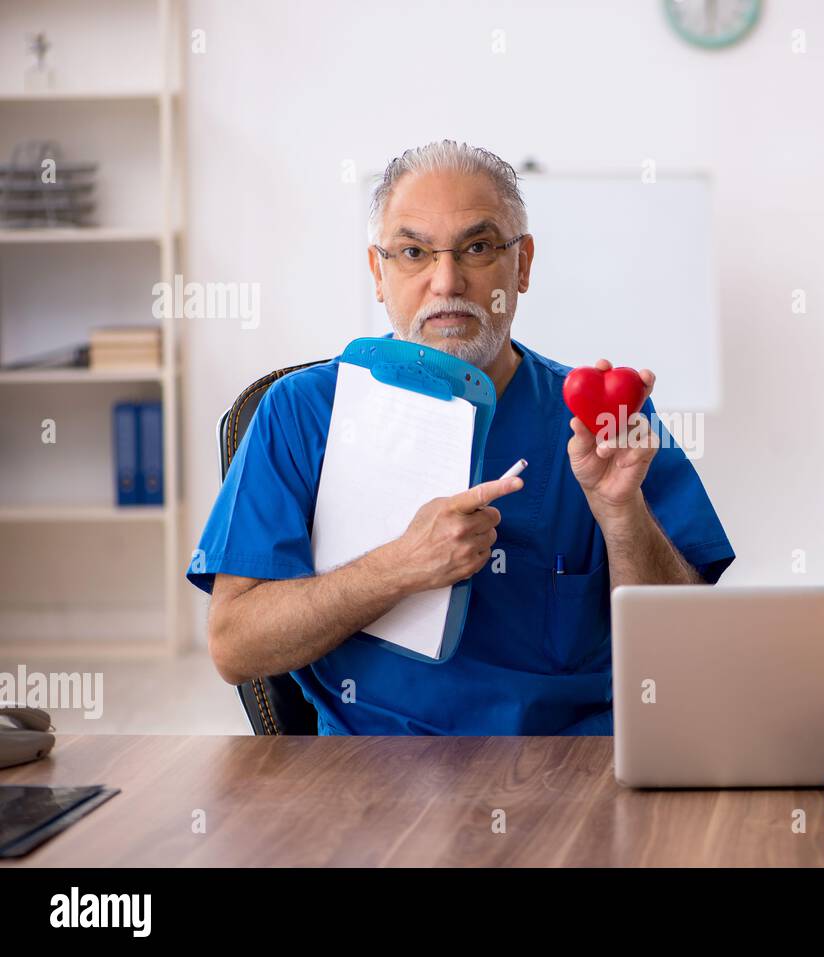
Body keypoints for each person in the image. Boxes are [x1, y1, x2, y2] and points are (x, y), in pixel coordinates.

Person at [187, 140, 734, 735]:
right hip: (368, 779)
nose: (446, 282)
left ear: (522, 265)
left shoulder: (606, 420)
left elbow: (685, 657)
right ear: (379, 272)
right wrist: (398, 568)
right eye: (413, 252)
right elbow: (233, 648)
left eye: (477, 247)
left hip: (573, 772)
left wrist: (622, 513)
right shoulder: (300, 413)